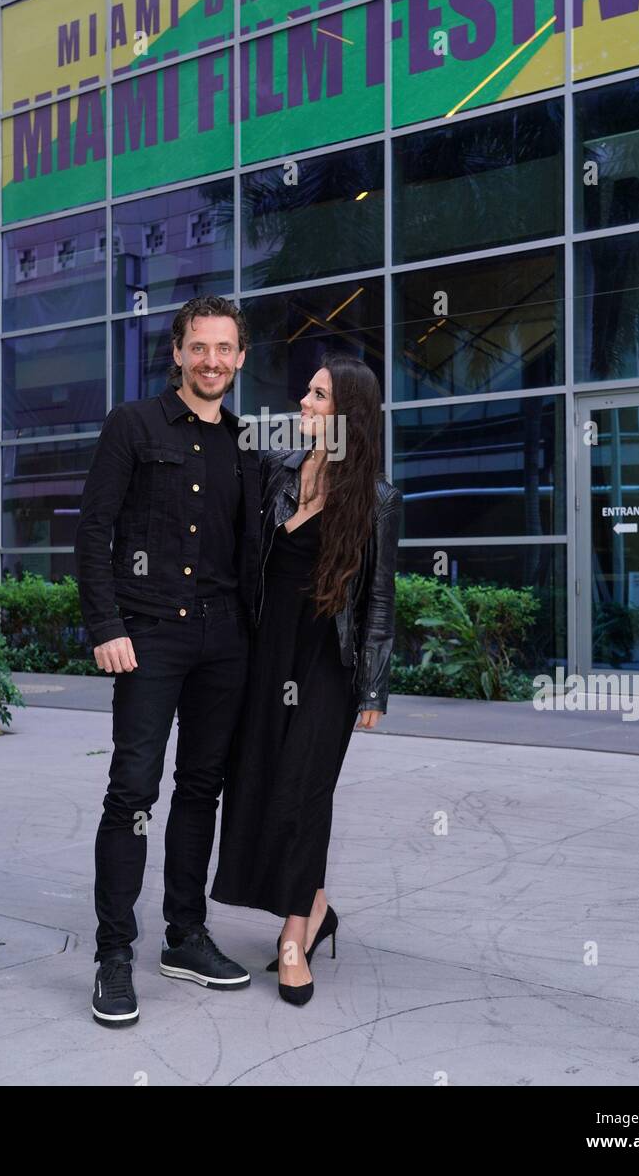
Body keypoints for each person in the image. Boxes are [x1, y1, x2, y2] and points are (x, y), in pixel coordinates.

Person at [74, 295, 262, 1027]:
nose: (211, 360)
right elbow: (94, 530)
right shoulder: (133, 425)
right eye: (198, 347)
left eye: (224, 349)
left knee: (201, 788)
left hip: (225, 642)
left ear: (239, 359)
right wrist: (105, 624)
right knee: (132, 791)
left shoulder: (244, 444)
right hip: (147, 636)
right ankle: (113, 955)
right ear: (177, 353)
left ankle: (184, 936)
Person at [211, 352, 402, 1005]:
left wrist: (373, 688)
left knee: (302, 794)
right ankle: (317, 907)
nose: (305, 405)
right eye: (307, 394)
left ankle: (294, 938)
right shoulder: (278, 469)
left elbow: (379, 601)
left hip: (328, 665)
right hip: (270, 658)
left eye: (318, 396)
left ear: (347, 412)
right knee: (262, 786)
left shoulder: (375, 499)